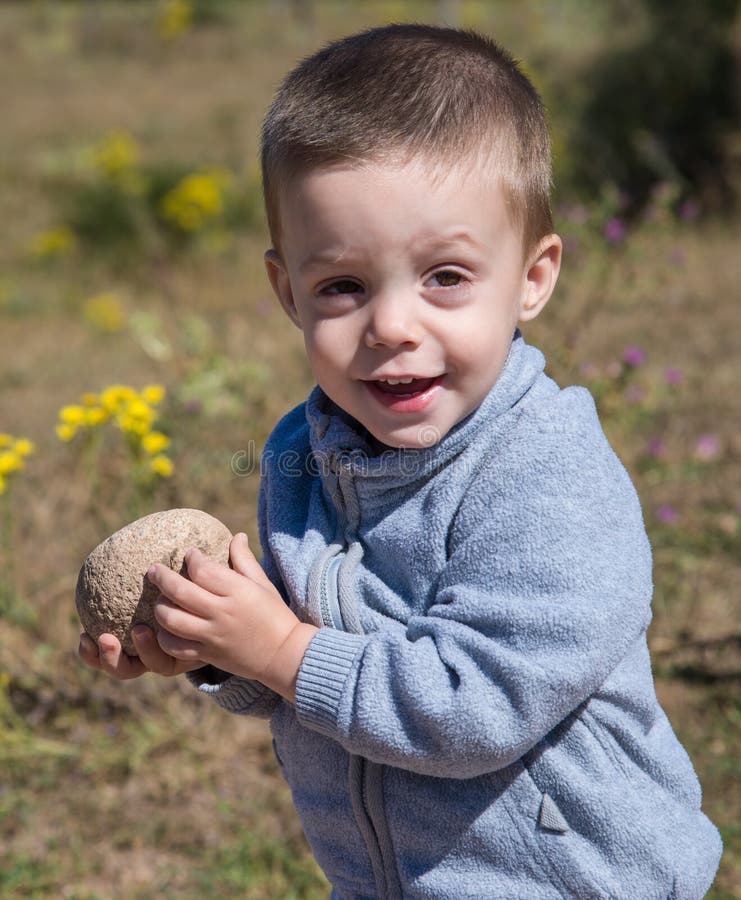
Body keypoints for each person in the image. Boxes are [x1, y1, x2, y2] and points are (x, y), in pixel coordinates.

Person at [79, 24, 722, 898]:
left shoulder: (545, 475)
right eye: (342, 286)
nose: (390, 326)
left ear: (532, 277)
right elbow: (308, 668)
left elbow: (474, 707)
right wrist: (215, 648)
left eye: (445, 277)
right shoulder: (299, 455)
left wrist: (279, 649)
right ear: (287, 294)